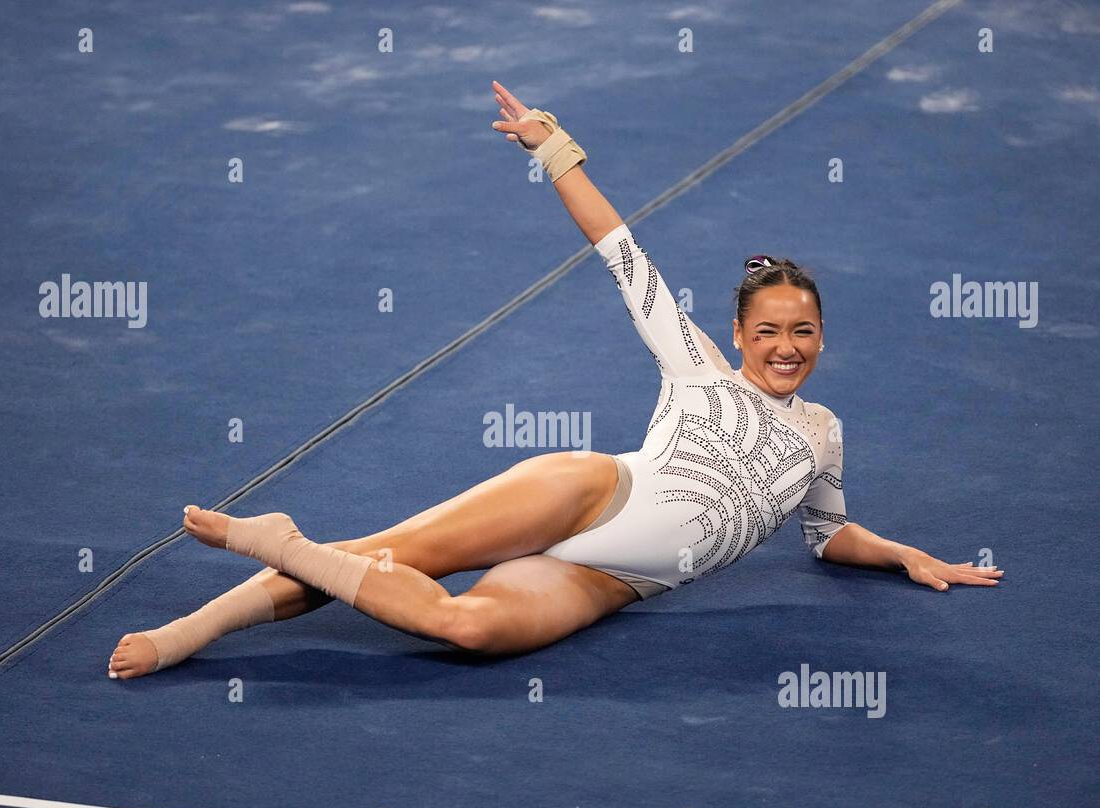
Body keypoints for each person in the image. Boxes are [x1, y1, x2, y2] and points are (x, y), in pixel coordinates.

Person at [108, 81, 1002, 679]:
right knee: (397, 551)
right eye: (768, 331)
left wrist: (900, 553)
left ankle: (285, 539)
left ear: (821, 338)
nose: (786, 347)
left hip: (615, 583)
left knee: (466, 631)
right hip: (586, 497)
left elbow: (826, 533)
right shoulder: (694, 363)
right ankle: (194, 631)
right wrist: (553, 146)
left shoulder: (823, 435)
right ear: (736, 333)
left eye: (802, 332)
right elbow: (621, 251)